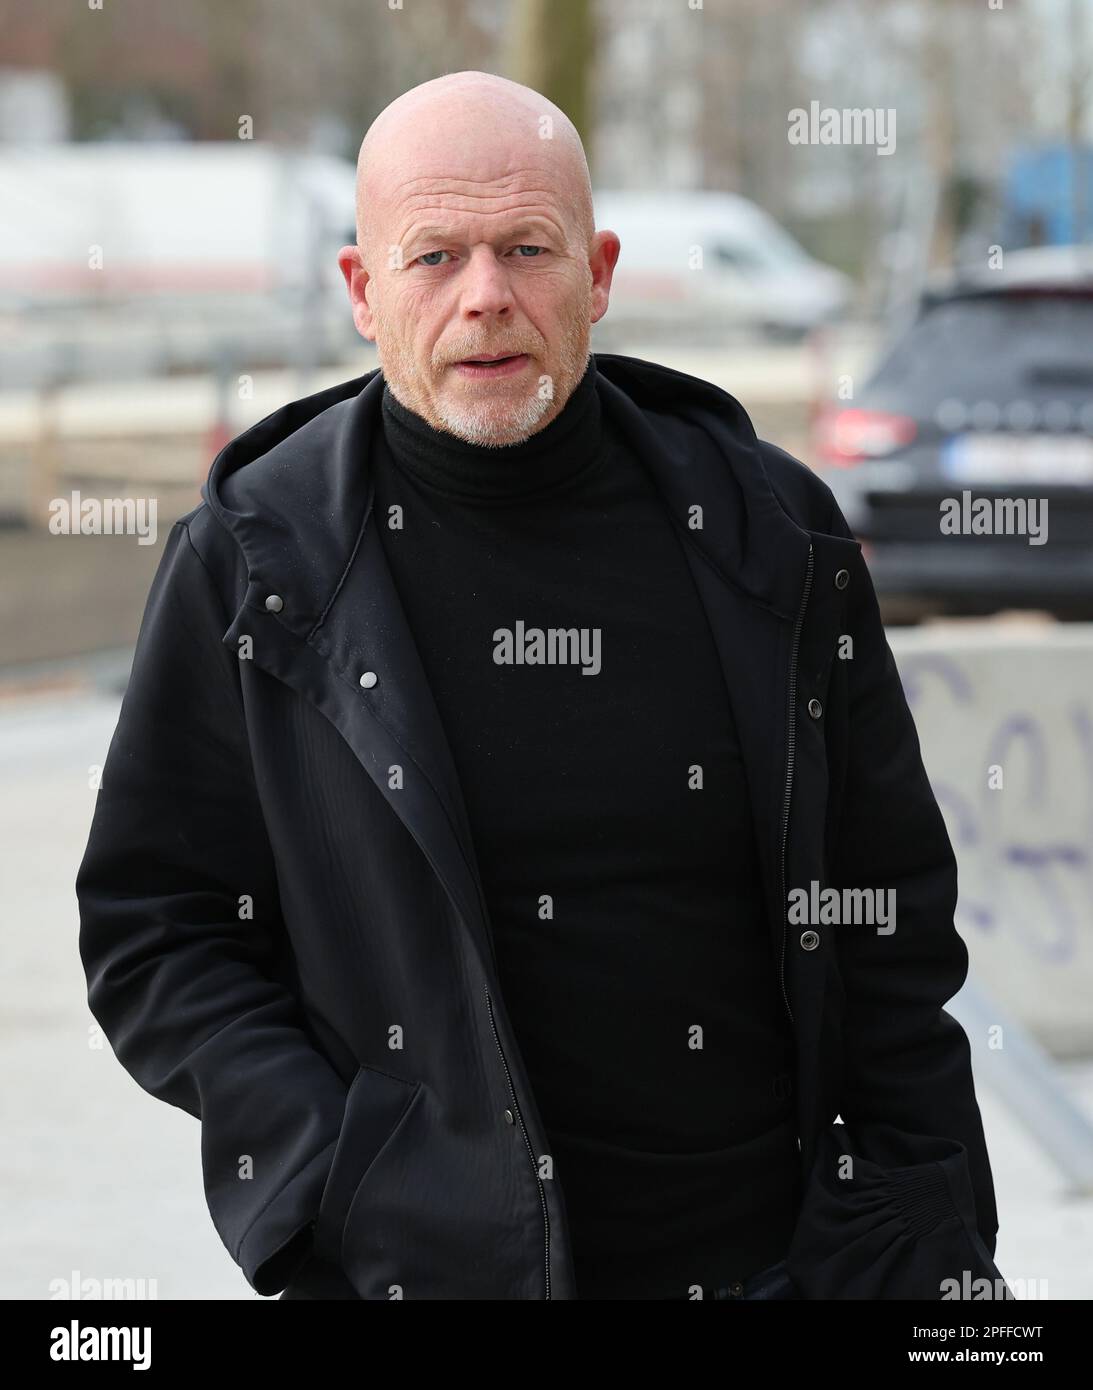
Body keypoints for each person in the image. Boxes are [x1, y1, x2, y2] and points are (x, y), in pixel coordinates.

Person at [76, 71, 999, 1301]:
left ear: (599, 271)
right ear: (361, 291)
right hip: (430, 1272)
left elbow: (888, 915)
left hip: (785, 1266)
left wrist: (923, 1235)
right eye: (434, 258)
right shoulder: (257, 562)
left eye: (527, 248)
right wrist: (324, 1185)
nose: (486, 298)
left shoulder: (773, 535)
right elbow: (158, 929)